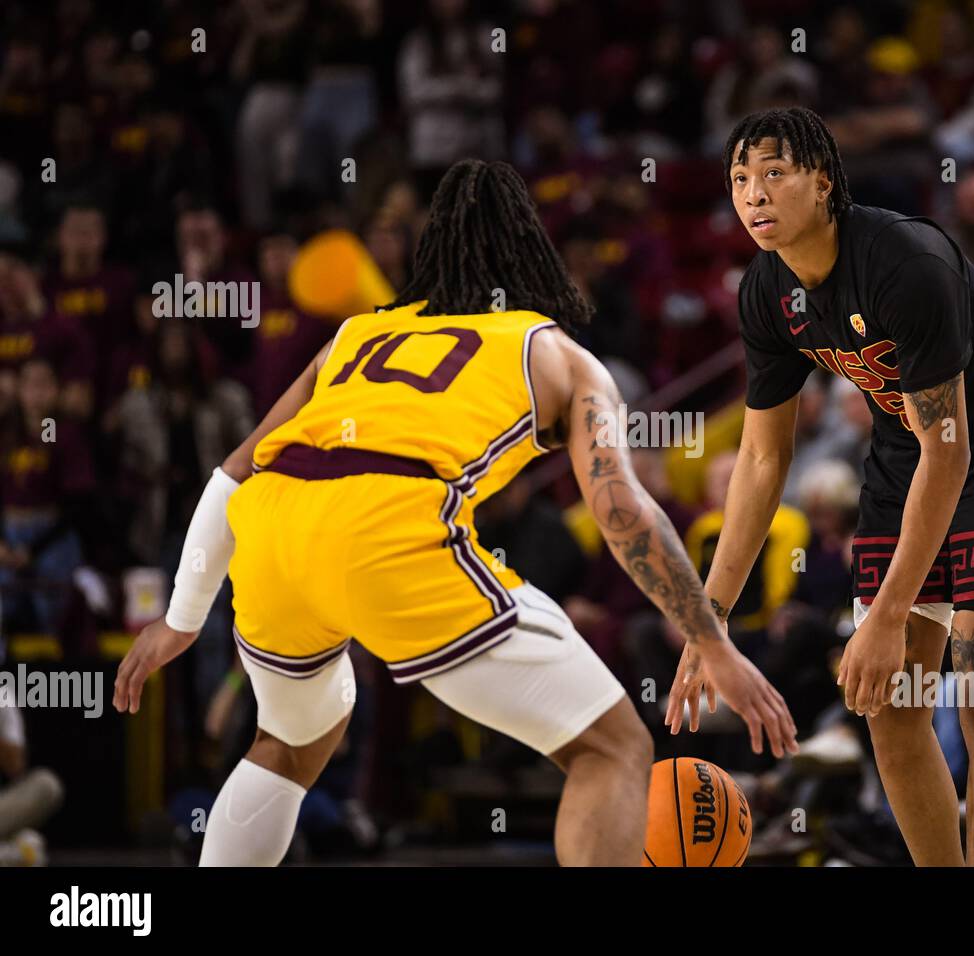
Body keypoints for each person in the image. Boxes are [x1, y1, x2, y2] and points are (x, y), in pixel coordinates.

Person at [113, 159, 797, 868]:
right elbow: (622, 511)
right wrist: (711, 640)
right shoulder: (558, 355)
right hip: (389, 528)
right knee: (613, 746)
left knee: (287, 743)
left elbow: (234, 469)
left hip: (272, 527)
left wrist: (181, 618)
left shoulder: (354, 334)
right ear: (533, 253)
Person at [667, 106, 974, 867]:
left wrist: (885, 618)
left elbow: (949, 455)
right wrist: (706, 618)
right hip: (900, 446)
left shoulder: (903, 261)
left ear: (822, 182)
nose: (753, 195)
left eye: (774, 174)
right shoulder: (767, 292)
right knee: (889, 708)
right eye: (739, 180)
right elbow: (759, 462)